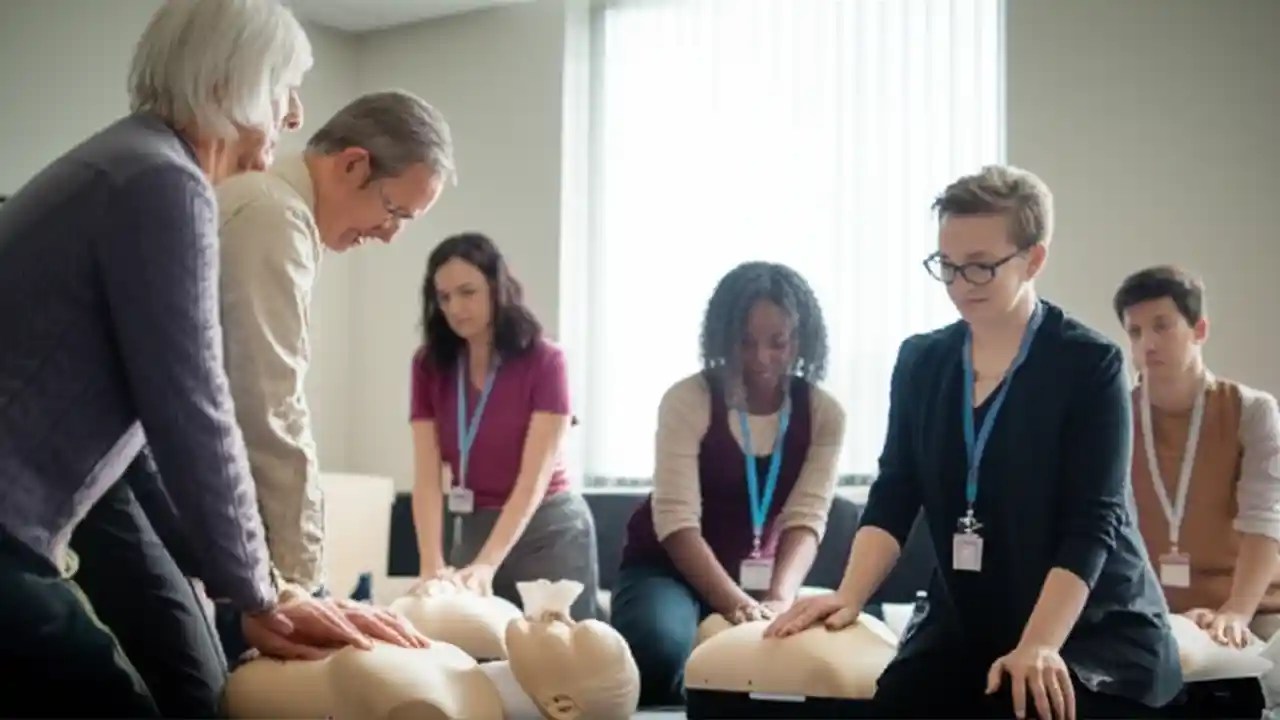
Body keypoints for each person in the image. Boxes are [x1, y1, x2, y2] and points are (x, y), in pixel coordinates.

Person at [0, 1, 378, 716]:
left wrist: (243, 586)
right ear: (233, 86)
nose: (294, 116)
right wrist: (257, 589)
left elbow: (144, 442)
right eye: (284, 90)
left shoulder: (128, 161)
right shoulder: (160, 181)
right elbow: (194, 411)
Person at [766, 165, 1182, 719]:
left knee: (1023, 706)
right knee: (898, 703)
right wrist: (849, 594)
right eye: (949, 266)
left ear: (1034, 259)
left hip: (1089, 626)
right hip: (968, 617)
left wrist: (1039, 645)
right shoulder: (922, 361)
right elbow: (896, 490)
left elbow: (1093, 521)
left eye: (982, 267)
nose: (961, 285)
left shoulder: (1088, 364)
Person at [211, 90, 455, 662]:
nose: (390, 234)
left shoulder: (267, 203)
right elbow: (269, 406)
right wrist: (305, 584)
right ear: (352, 165)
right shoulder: (274, 215)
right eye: (394, 211)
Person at [610, 261, 846, 707]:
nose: (761, 358)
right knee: (658, 651)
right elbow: (677, 523)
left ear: (802, 340)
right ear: (722, 338)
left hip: (761, 577)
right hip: (667, 570)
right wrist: (735, 606)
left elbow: (807, 519)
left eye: (778, 343)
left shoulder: (824, 414)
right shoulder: (688, 400)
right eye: (745, 342)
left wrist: (779, 598)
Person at [410, 232, 601, 621]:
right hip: (476, 522)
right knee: (474, 652)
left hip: (547, 528)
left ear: (497, 288)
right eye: (444, 297)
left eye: (468, 292)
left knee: (558, 657)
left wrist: (488, 565)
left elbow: (533, 480)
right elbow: (427, 478)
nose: (455, 308)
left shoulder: (546, 360)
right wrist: (431, 562)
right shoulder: (429, 365)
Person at [1114, 266, 1280, 645]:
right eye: (1135, 332)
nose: (1147, 344)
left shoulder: (1251, 410)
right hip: (1153, 610)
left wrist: (1236, 611)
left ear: (1199, 330)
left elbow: (1265, 520)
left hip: (1254, 607)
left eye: (1162, 326)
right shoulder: (1117, 416)